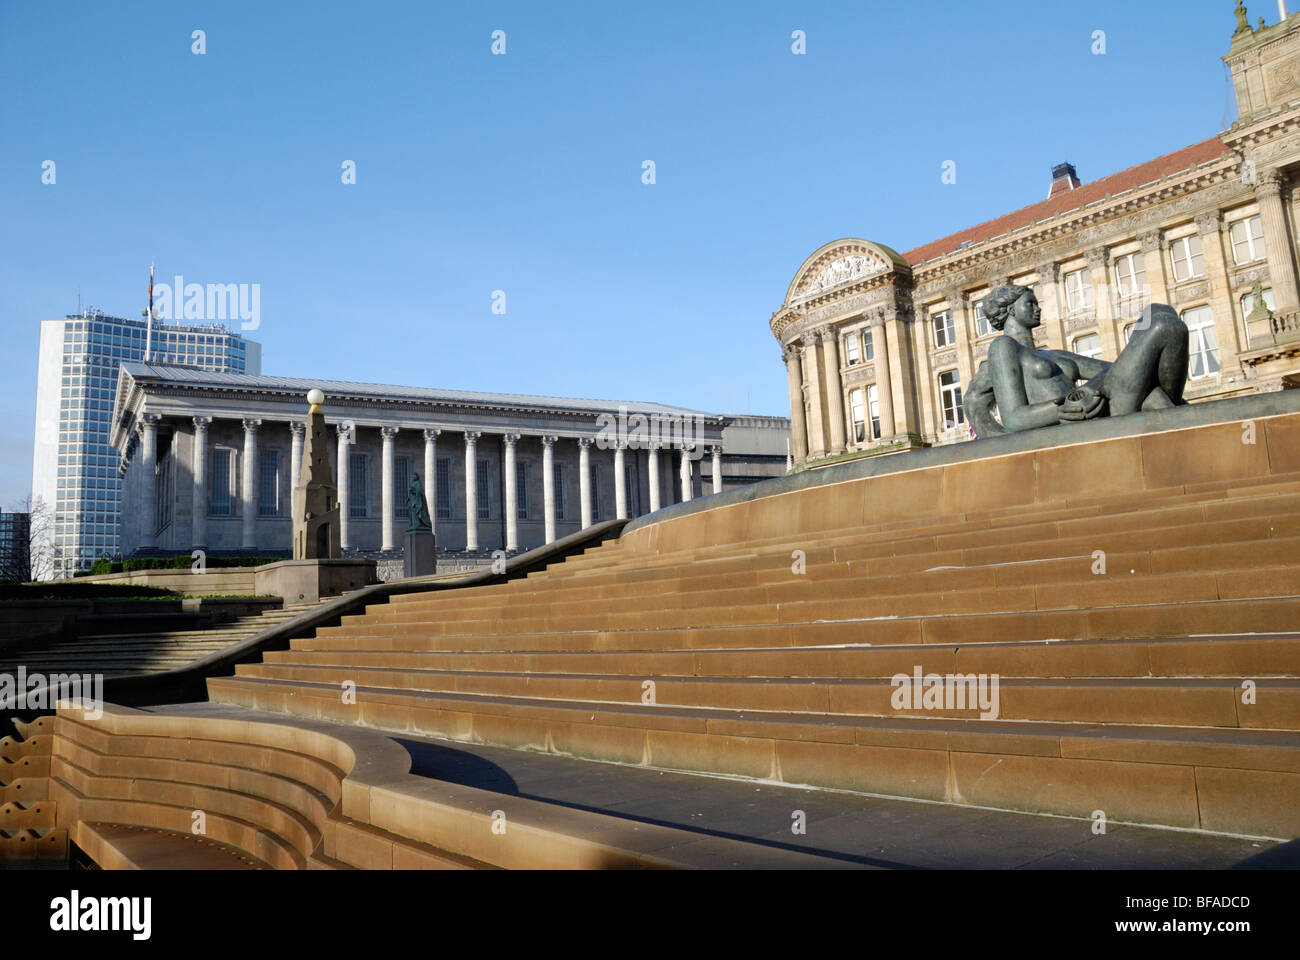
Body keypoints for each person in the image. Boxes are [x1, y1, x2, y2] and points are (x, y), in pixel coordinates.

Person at [965, 285, 1189, 437]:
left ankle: (1174, 416)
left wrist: (1087, 393)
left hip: (1098, 405)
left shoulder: (1055, 354)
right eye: (1030, 303)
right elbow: (1012, 418)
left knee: (1158, 311)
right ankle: (1178, 418)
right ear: (1011, 309)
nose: (1038, 308)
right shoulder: (1003, 348)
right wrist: (1063, 407)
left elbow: (1118, 372)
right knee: (1163, 325)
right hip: (1075, 421)